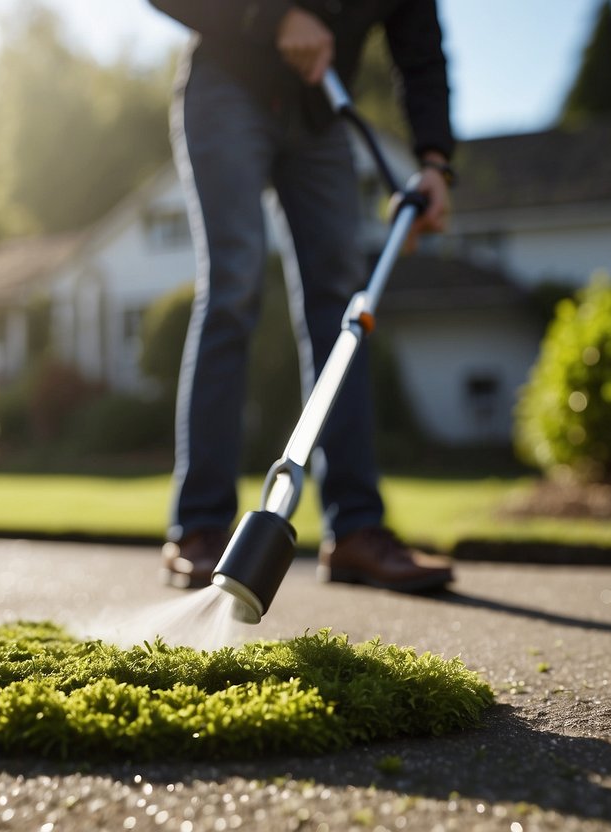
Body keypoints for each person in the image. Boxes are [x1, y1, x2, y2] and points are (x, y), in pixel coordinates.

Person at [150, 0, 457, 594]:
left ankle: (356, 531)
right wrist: (273, 18)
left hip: (319, 116)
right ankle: (201, 526)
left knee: (344, 307)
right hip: (228, 85)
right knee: (234, 284)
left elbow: (421, 53)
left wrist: (435, 161)